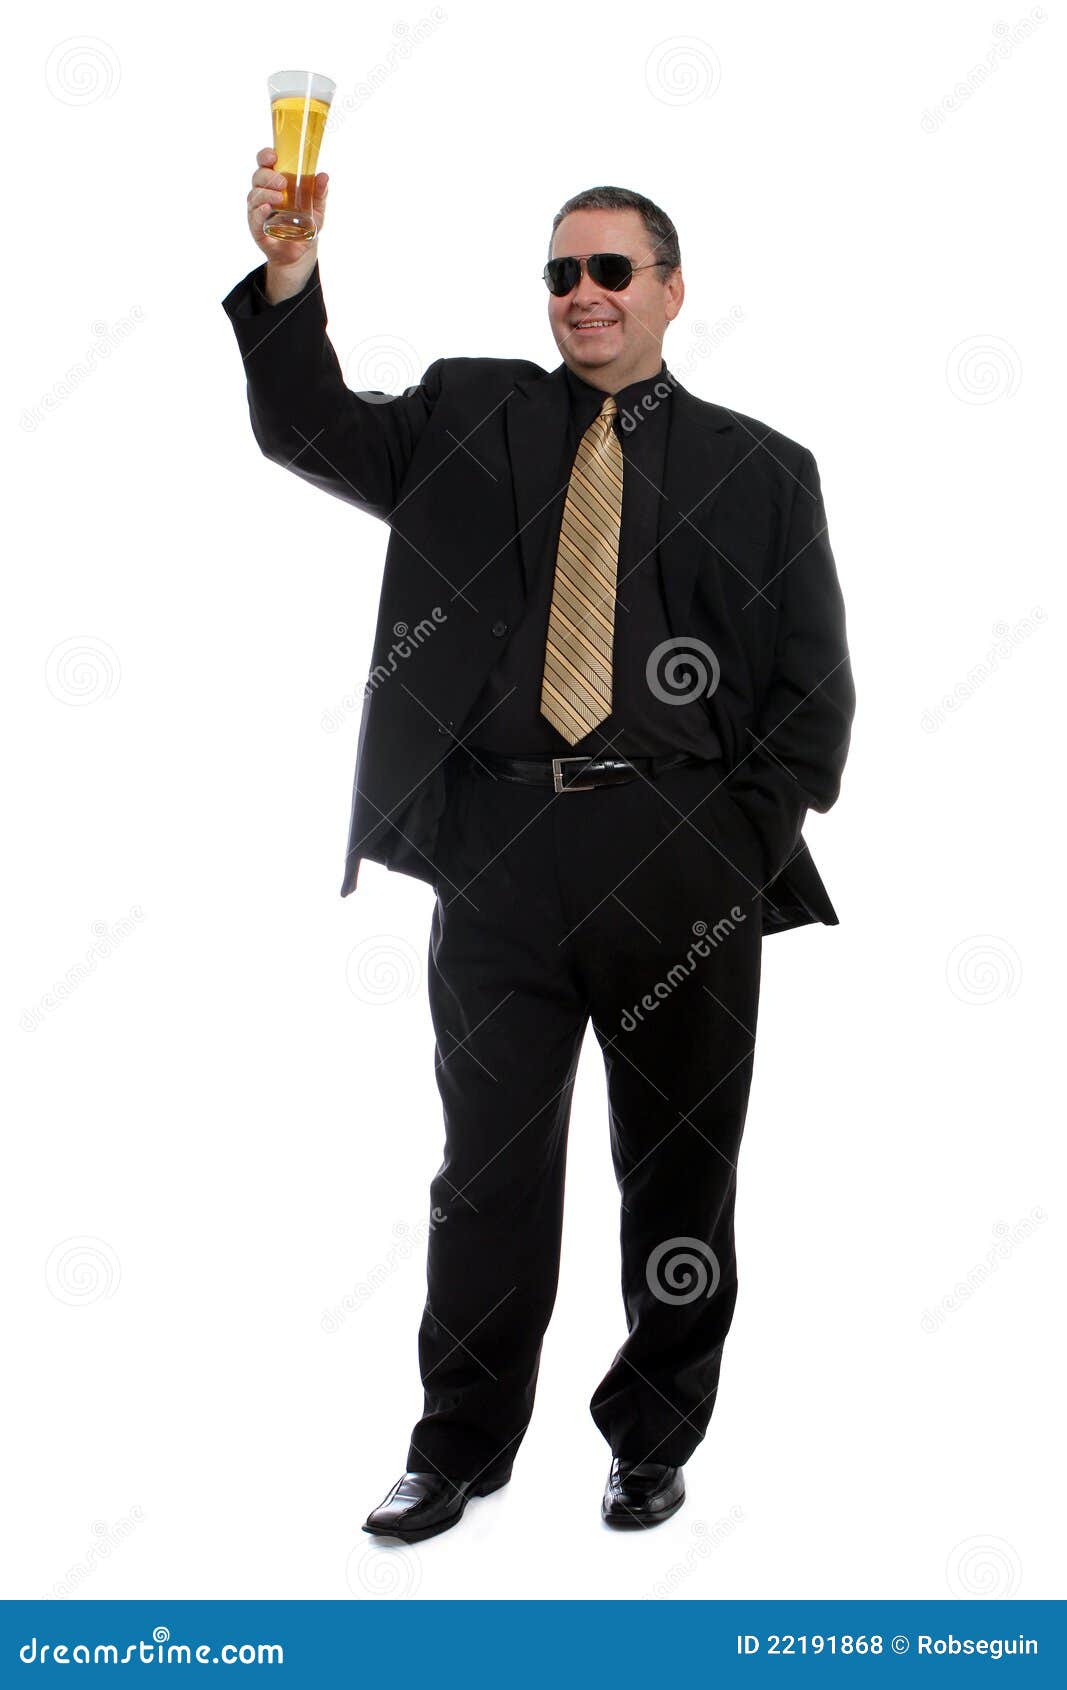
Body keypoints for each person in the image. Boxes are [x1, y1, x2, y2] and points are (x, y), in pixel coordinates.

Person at [221, 149, 856, 1541]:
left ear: (672, 291)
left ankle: (652, 1437)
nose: (582, 294)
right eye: (561, 272)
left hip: (683, 861)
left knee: (679, 1172)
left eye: (610, 269)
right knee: (487, 1174)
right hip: (500, 850)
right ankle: (455, 1448)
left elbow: (814, 699)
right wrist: (286, 273)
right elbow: (307, 426)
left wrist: (728, 849)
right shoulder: (468, 416)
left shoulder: (764, 472)